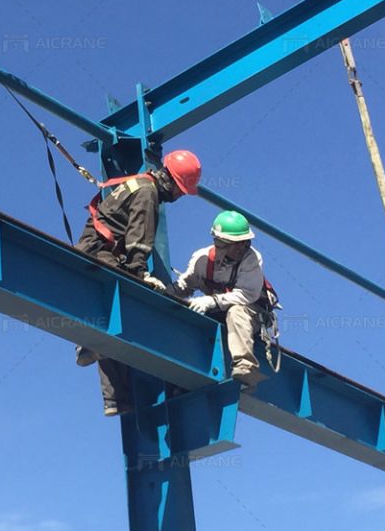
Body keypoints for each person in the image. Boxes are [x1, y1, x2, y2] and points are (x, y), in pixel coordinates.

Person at [75, 150, 202, 416]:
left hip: (98, 248)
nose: (178, 197)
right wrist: (140, 272)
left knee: (114, 325)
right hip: (101, 251)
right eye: (180, 190)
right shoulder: (148, 193)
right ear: (169, 179)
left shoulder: (140, 184)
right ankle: (90, 344)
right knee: (126, 308)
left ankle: (115, 399)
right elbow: (138, 237)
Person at [167, 210, 271, 387]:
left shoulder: (250, 259)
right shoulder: (201, 260)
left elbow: (247, 295)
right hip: (221, 311)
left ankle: (245, 365)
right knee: (192, 318)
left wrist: (211, 301)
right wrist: (164, 292)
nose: (242, 247)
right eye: (236, 243)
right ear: (220, 243)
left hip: (252, 310)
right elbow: (185, 286)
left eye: (245, 242)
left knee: (237, 312)